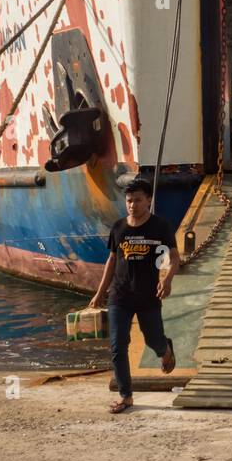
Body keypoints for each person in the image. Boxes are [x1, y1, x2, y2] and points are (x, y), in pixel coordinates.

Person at [88, 177, 179, 414]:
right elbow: (111, 260)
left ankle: (165, 350)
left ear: (148, 200)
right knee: (118, 345)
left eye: (137, 200)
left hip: (148, 295)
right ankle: (125, 396)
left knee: (153, 340)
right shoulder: (119, 228)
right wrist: (100, 292)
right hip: (120, 296)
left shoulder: (161, 227)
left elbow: (174, 257)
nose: (132, 205)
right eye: (129, 201)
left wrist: (167, 280)